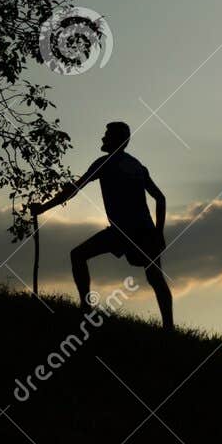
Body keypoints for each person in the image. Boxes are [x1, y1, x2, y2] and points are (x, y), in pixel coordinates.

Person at [31, 121, 174, 328]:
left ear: (117, 139)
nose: (102, 138)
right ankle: (168, 328)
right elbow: (160, 198)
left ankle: (85, 309)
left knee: (78, 255)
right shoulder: (138, 167)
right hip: (143, 231)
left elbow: (75, 188)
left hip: (128, 232)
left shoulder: (105, 163)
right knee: (155, 278)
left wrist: (43, 208)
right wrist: (158, 233)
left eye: (107, 135)